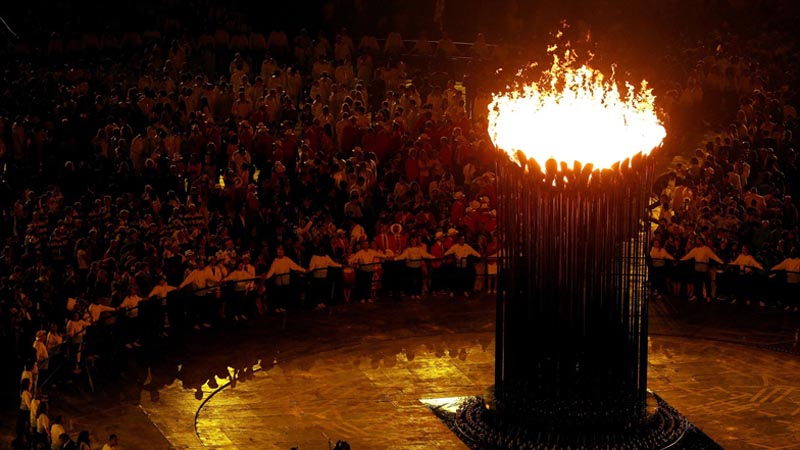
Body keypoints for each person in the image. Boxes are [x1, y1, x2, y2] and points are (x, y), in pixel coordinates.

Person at [680, 237, 724, 302]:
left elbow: (714, 256)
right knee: (697, 283)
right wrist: (681, 259)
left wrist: (721, 262)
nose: (696, 242)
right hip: (697, 268)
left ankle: (708, 296)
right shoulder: (695, 249)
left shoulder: (706, 249)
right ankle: (696, 295)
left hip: (704, 268)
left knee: (707, 283)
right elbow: (688, 256)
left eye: (698, 241)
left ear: (701, 241)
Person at [265, 246, 307, 313]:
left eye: (281, 251)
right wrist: (267, 277)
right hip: (278, 281)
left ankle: (283, 306)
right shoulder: (275, 261)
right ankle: (278, 307)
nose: (280, 253)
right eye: (279, 251)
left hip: (286, 280)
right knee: (278, 294)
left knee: (284, 294)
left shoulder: (287, 259)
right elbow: (271, 270)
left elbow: (294, 266)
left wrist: (304, 270)